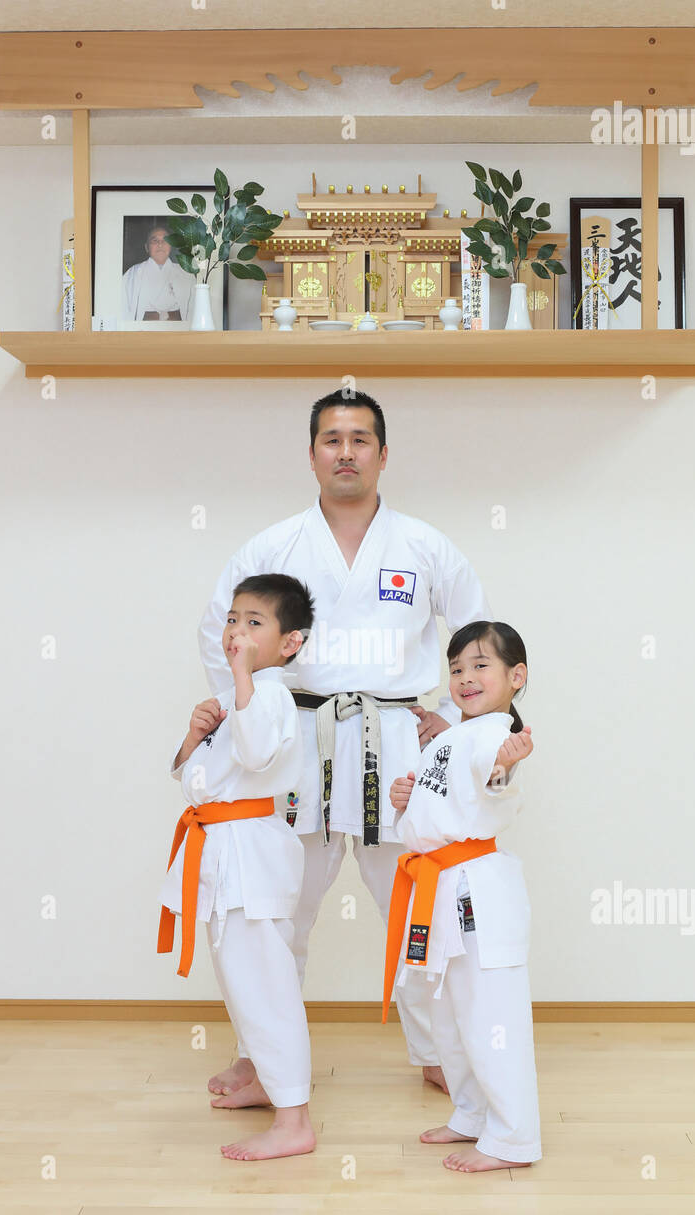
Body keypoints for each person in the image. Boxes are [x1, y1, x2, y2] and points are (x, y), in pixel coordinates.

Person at [198, 388, 518, 1101]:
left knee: (413, 902)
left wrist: (453, 719)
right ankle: (260, 1059)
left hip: (397, 742)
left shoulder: (425, 545)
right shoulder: (274, 545)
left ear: (382, 453)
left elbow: (478, 637)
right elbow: (222, 635)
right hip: (294, 743)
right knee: (277, 911)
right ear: (312, 453)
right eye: (332, 439)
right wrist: (247, 711)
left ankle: (438, 1052)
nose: (346, 452)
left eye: (360, 439)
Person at [157, 573, 317, 1161]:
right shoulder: (234, 698)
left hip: (251, 853)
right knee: (241, 985)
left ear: (289, 643)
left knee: (266, 986)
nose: (236, 633)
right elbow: (193, 781)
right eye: (233, 619)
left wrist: (244, 680)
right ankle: (262, 1082)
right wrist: (195, 734)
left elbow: (254, 756)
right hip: (224, 849)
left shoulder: (269, 694)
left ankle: (295, 1119)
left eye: (255, 623)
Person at [384, 620, 542, 1173]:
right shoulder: (450, 734)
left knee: (488, 1013)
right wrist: (406, 800)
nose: (466, 678)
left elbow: (494, 776)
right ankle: (471, 1113)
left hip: (476, 889)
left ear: (514, 677)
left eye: (480, 666)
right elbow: (439, 811)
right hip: (439, 887)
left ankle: (512, 1138)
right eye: (456, 668)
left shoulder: (492, 736)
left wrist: (506, 762)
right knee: (449, 1012)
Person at [122, 224, 195, 321]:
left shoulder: (186, 273)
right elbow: (123, 308)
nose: (160, 244)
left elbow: (193, 308)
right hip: (144, 331)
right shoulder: (133, 273)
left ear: (171, 247)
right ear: (146, 247)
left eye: (165, 240)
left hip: (177, 331)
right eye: (154, 240)